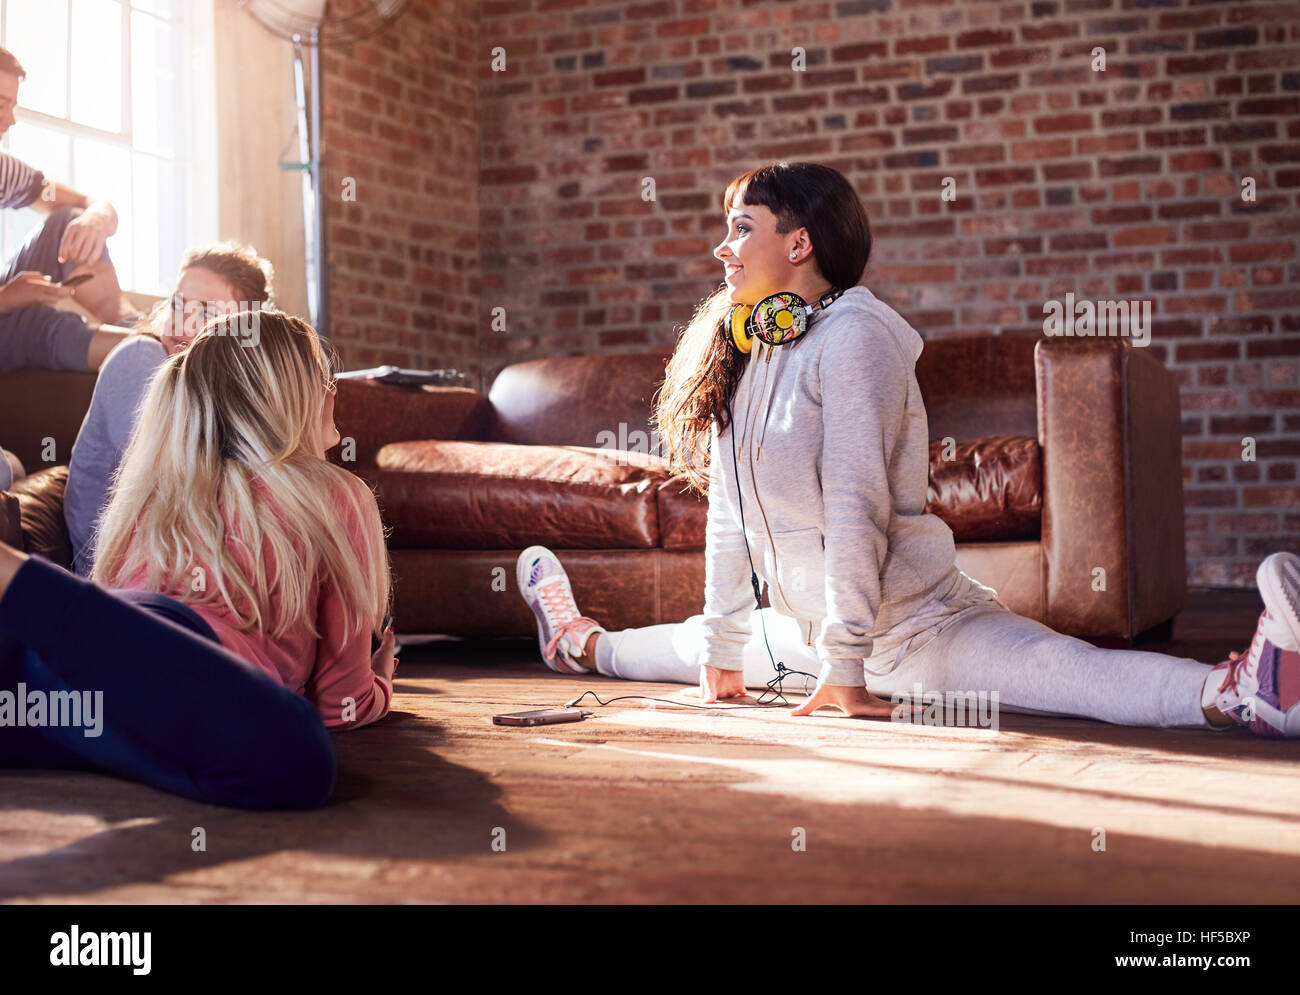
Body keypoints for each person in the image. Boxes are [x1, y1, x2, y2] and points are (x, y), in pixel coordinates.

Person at [516, 161, 1300, 740]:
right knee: (672, 647)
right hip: (806, 630)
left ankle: (1249, 688)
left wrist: (845, 667)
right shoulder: (750, 348)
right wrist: (723, 650)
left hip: (919, 627)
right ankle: (574, 640)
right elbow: (728, 514)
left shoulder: (856, 336)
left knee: (1064, 673)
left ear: (800, 243)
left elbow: (856, 502)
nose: (722, 248)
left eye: (740, 227)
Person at [0, 310, 397, 808]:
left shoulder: (158, 492)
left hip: (75, 693)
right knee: (295, 755)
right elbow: (341, 706)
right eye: (324, 377)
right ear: (288, 396)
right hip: (158, 670)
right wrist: (379, 682)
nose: (334, 390)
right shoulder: (336, 494)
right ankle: (9, 570)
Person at [65, 242, 274, 575]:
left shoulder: (222, 391)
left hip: (183, 565)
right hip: (119, 576)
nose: (183, 323)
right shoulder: (140, 358)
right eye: (179, 305)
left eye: (207, 313)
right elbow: (171, 492)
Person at [0, 45, 132, 375]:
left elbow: (84, 202)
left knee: (69, 221)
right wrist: (8, 297)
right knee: (35, 323)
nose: (11, 119)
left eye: (13, 106)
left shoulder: (5, 172)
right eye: (2, 104)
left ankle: (134, 325)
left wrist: (97, 218)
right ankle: (145, 348)